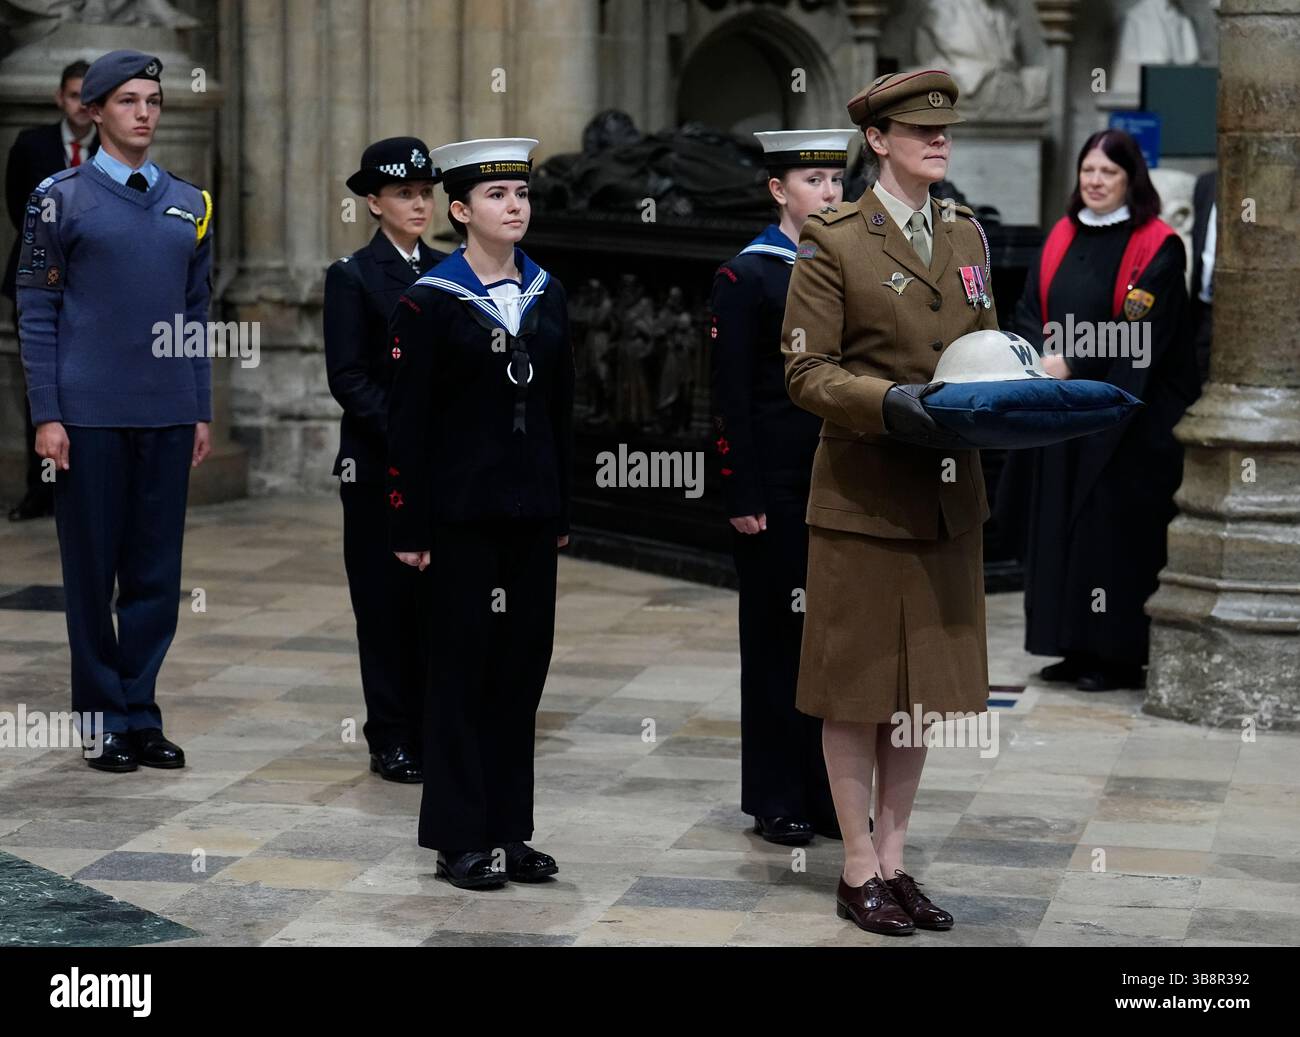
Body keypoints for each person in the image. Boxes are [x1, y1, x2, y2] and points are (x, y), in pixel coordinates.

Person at [781, 70, 999, 936]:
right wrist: (890, 404)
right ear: (878, 140)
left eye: (945, 131)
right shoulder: (834, 239)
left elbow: (986, 350)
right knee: (860, 688)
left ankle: (898, 860)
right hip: (865, 493)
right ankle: (856, 864)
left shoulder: (967, 231)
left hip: (947, 497)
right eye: (920, 130)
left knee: (920, 695)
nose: (939, 142)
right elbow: (805, 371)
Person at [15, 50, 213, 772]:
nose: (144, 113)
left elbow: (197, 310)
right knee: (93, 573)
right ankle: (103, 721)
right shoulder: (56, 198)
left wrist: (199, 406)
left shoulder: (190, 202)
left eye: (154, 100)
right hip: (88, 414)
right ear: (93, 111)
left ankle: (141, 712)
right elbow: (36, 309)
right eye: (128, 100)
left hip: (165, 412)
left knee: (156, 573)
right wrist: (47, 412)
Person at [386, 138, 573, 890]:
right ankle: (459, 836)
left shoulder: (548, 292)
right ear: (460, 212)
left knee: (521, 672)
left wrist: (562, 505)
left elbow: (562, 406)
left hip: (531, 514)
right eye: (497, 197)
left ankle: (508, 828)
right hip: (460, 518)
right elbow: (408, 422)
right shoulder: (429, 299)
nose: (515, 206)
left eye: (521, 194)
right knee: (460, 676)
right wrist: (407, 525)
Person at [998, 129, 1200, 691]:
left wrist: (1073, 362)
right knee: (1058, 525)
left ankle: (1113, 655)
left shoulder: (1159, 244)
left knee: (1107, 535)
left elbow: (1143, 329)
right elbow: (1029, 305)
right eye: (1088, 170)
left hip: (1124, 416)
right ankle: (1064, 643)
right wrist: (1037, 354)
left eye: (1108, 173)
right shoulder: (1061, 235)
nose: (1095, 181)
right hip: (1060, 408)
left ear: (1131, 180)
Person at [709, 129, 853, 847]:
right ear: (778, 190)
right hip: (776, 487)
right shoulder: (749, 276)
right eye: (813, 179)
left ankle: (828, 790)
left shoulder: (849, 268)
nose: (829, 192)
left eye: (835, 178)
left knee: (831, 645)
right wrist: (741, 492)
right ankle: (776, 793)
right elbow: (730, 397)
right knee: (776, 642)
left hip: (843, 482)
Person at [324, 137, 446, 784]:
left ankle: (432, 727)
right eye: (405, 194)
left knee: (434, 605)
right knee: (383, 606)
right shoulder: (353, 275)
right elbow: (348, 378)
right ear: (374, 202)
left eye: (426, 193)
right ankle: (390, 733)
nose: (419, 204)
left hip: (440, 473)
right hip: (377, 468)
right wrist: (410, 432)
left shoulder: (452, 269)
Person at [4, 58, 99, 522]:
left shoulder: (111, 149)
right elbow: (15, 209)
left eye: (89, 95)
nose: (81, 104)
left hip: (94, 288)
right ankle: (39, 491)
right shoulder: (31, 145)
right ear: (60, 98)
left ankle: (85, 490)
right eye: (74, 94)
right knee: (38, 388)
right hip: (35, 281)